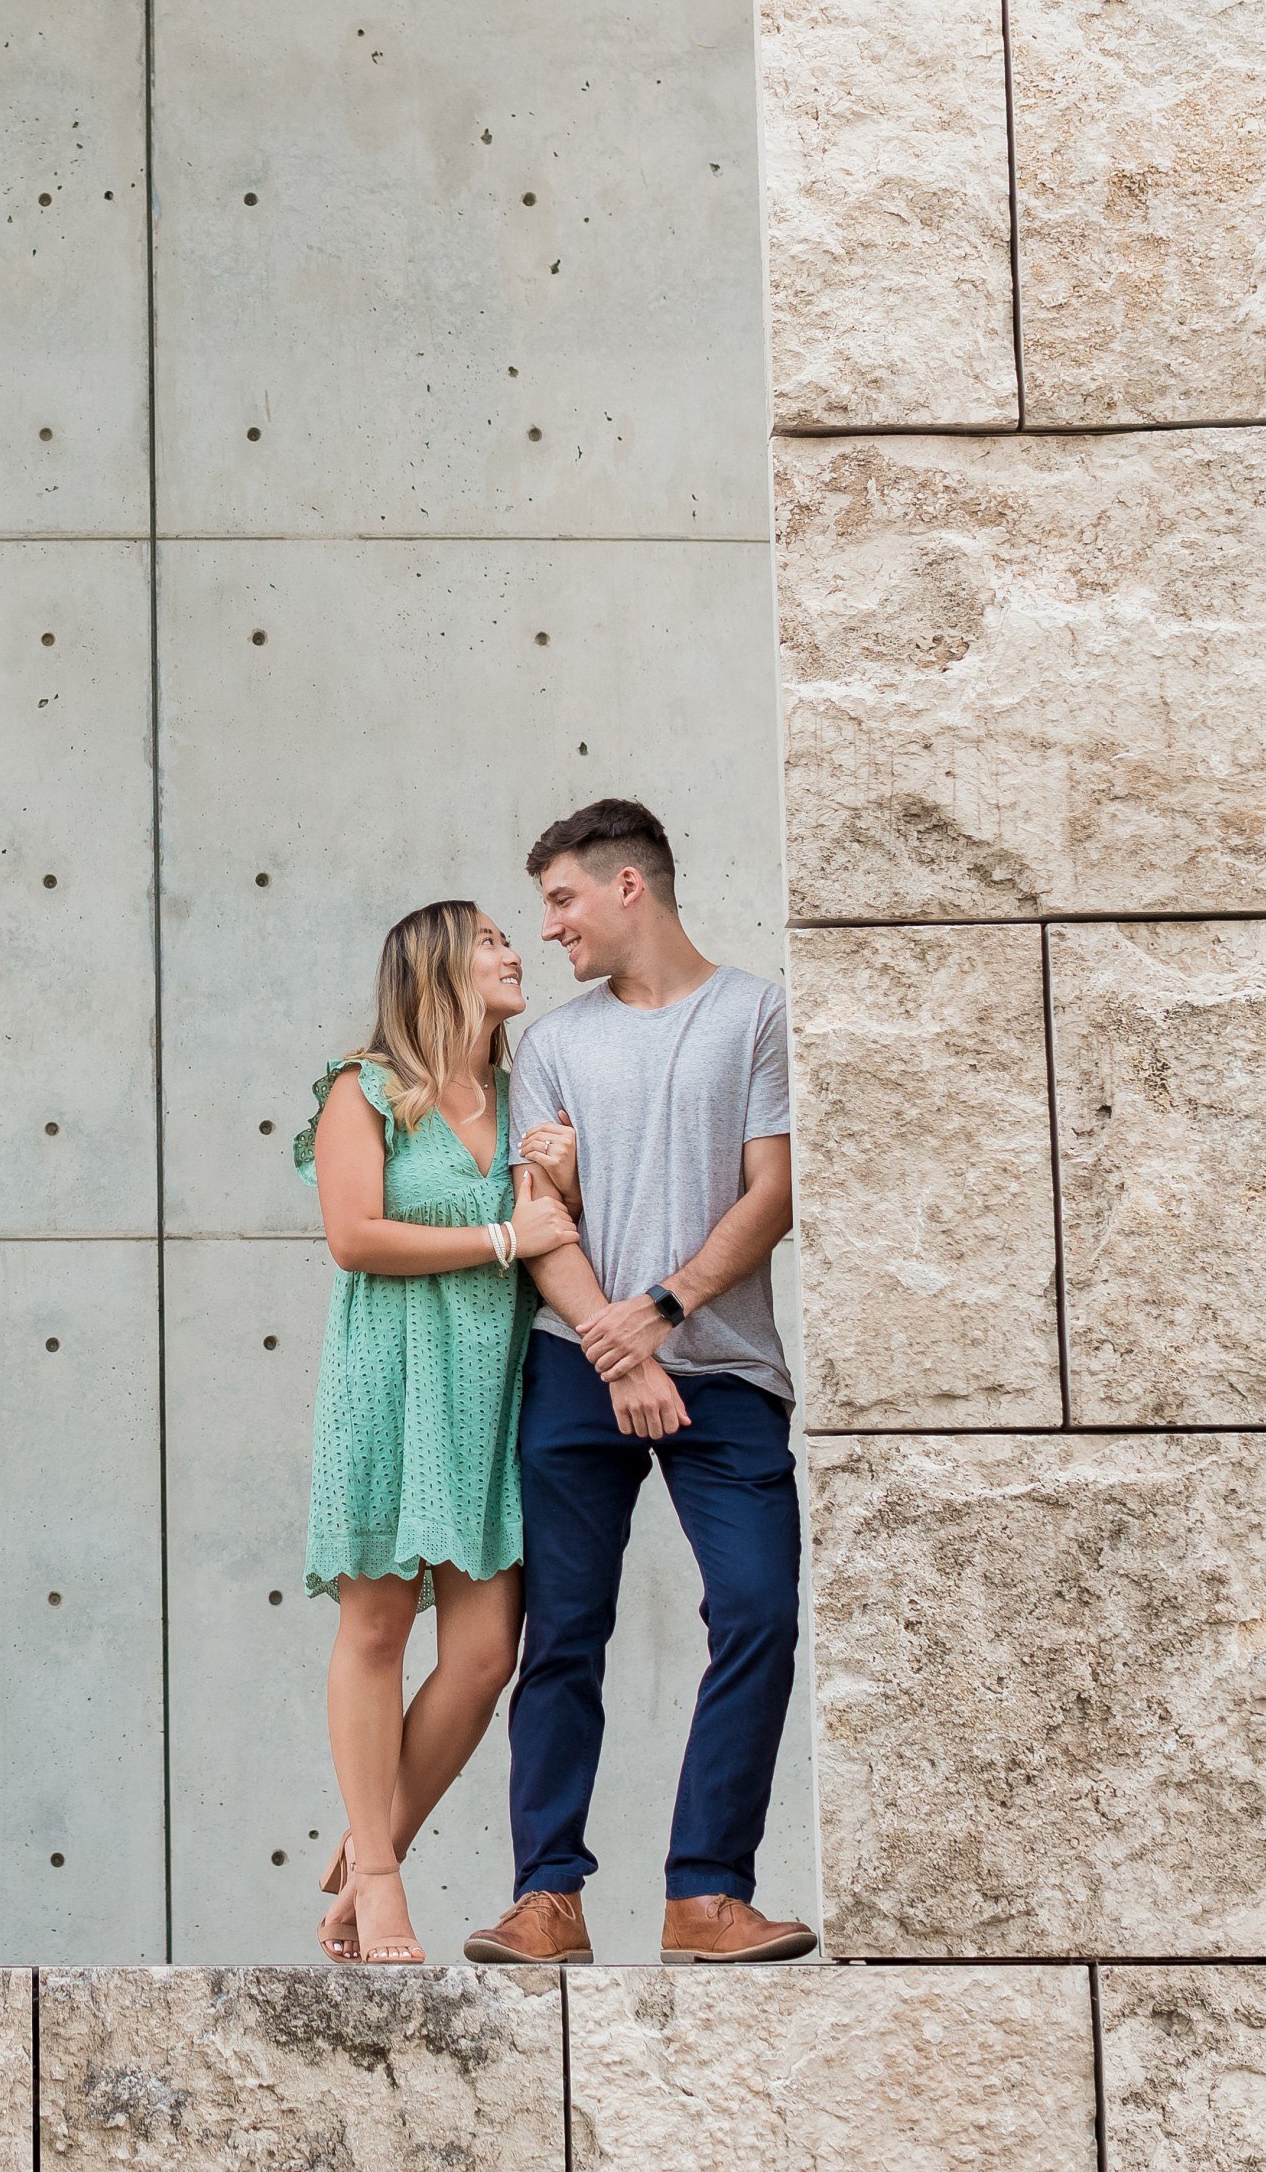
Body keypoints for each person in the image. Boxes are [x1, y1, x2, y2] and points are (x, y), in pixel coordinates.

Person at [462, 798, 817, 1969]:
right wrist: (617, 1351)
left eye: (561, 899)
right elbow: (539, 1217)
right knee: (562, 1631)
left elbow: (770, 1192)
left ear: (630, 888)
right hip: (577, 1371)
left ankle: (705, 1895)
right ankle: (545, 1898)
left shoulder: (754, 1014)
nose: (547, 927)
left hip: (720, 1370)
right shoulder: (553, 1046)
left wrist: (660, 1316)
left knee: (757, 1611)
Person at [295, 901, 578, 1965]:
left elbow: (563, 1235)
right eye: (493, 939)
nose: (516, 954)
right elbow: (353, 1237)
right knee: (373, 1631)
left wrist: (563, 1176)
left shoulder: (523, 1098)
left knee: (478, 1658)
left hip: (491, 1398)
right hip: (390, 1386)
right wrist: (505, 1231)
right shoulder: (360, 1091)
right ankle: (377, 1886)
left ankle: (369, 1851)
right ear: (433, 966)